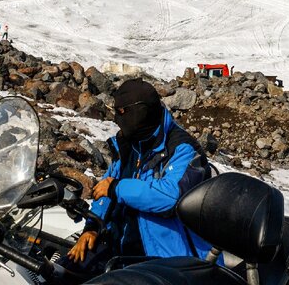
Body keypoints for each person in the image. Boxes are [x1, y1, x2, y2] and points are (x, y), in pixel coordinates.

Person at [67, 79, 211, 269]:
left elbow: (171, 199)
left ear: (141, 111)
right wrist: (92, 227)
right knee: (63, 270)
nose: (118, 119)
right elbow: (105, 191)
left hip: (168, 263)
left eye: (122, 112)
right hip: (120, 252)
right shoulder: (129, 144)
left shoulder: (182, 149)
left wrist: (117, 187)